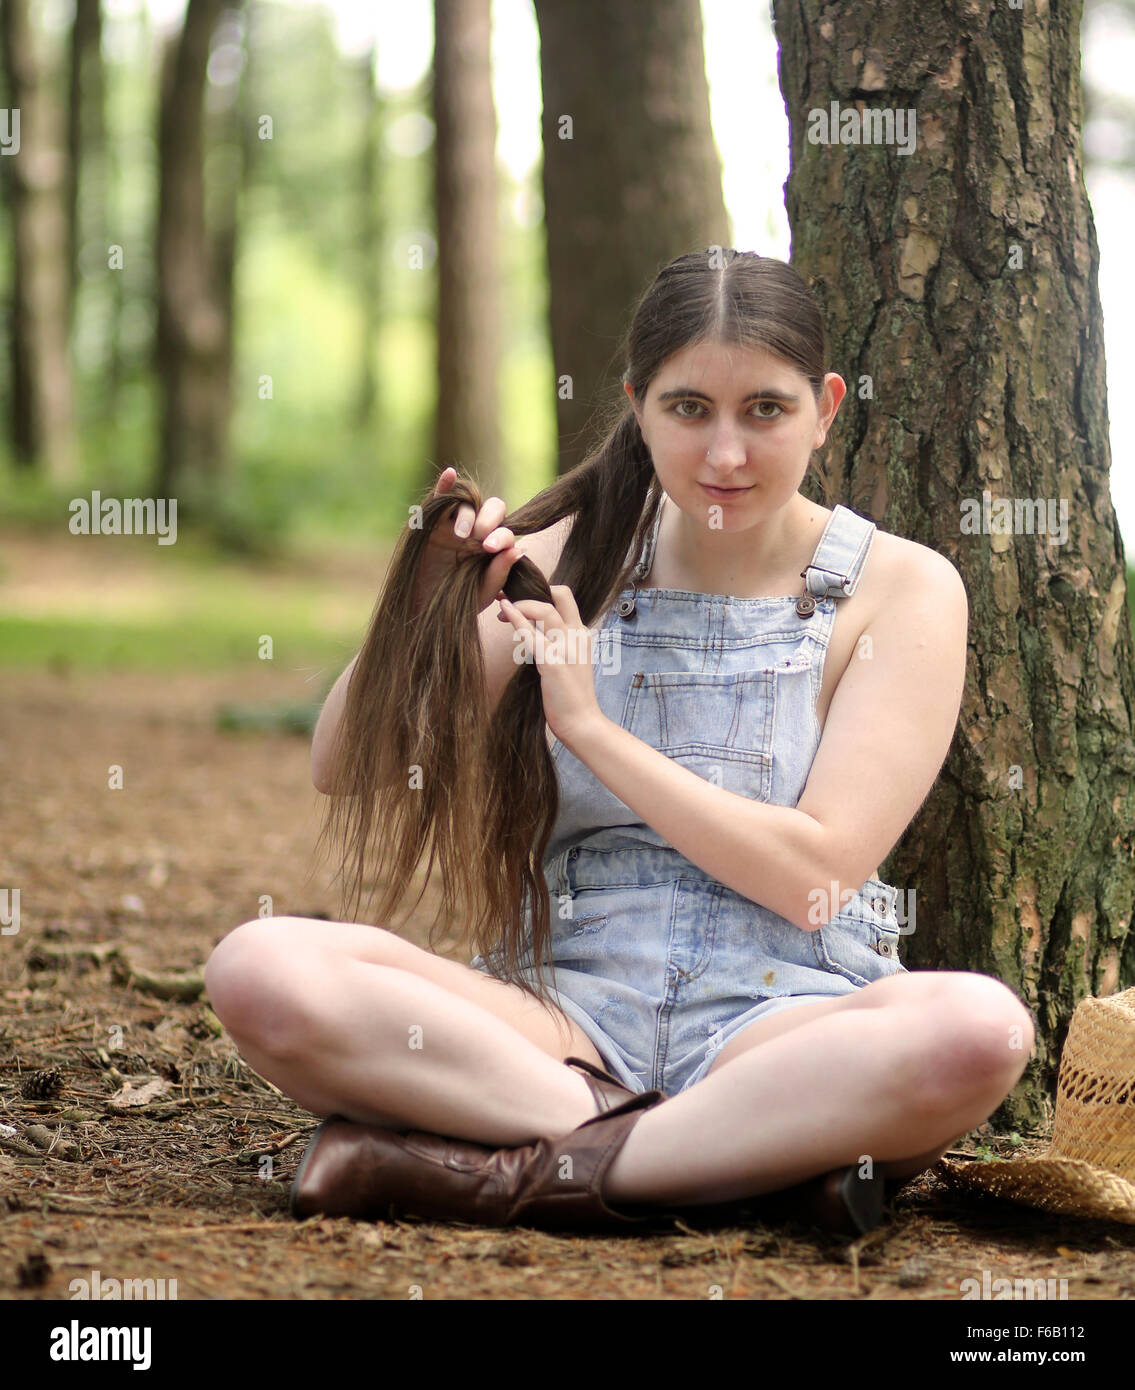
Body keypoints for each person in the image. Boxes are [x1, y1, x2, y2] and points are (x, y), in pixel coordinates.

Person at [204, 249, 1035, 1235]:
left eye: (763, 410)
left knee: (977, 1031)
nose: (724, 454)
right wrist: (422, 613)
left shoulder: (899, 587)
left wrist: (592, 732)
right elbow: (345, 766)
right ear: (638, 405)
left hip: (784, 1022)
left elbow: (813, 868)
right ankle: (721, 1161)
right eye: (689, 409)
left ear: (825, 406)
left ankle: (495, 1167)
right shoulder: (566, 556)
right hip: (558, 1017)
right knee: (260, 968)